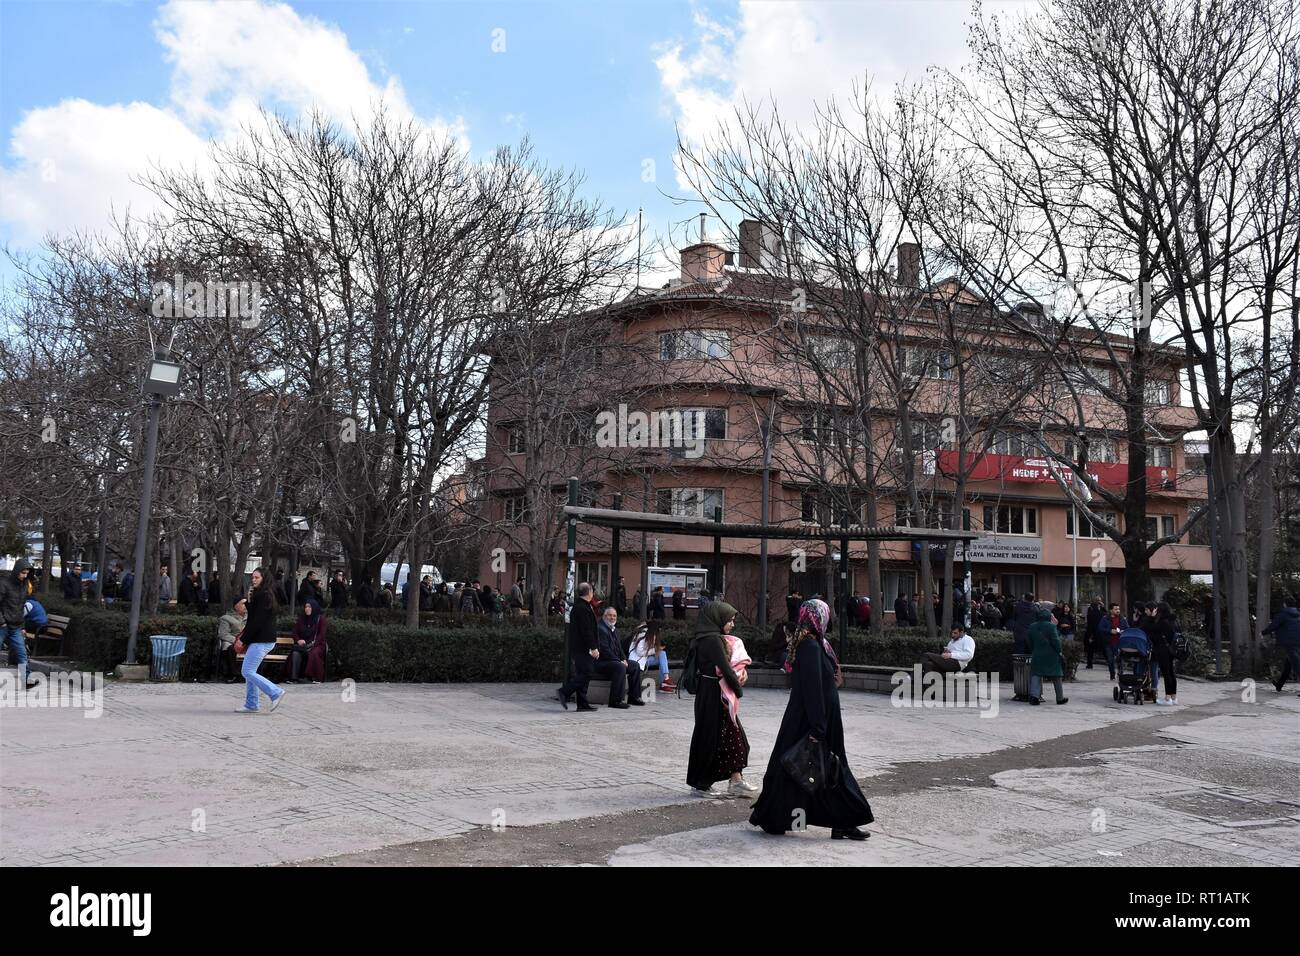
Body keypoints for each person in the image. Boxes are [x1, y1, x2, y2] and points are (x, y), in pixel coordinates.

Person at [749, 599, 874, 839]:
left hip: (818, 720)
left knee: (827, 770)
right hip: (812, 721)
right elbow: (812, 690)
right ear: (818, 617)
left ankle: (840, 822)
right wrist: (818, 728)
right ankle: (775, 817)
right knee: (808, 767)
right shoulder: (809, 646)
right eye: (826, 614)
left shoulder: (816, 643)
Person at [686, 601, 754, 798]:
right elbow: (725, 669)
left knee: (731, 736)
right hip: (713, 693)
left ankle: (736, 780)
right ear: (718, 618)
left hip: (711, 692)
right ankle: (701, 784)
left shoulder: (704, 637)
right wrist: (739, 690)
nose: (732, 624)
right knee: (710, 738)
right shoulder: (713, 640)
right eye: (730, 620)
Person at [236, 567, 285, 714]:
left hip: (262, 640)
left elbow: (257, 622)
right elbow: (255, 616)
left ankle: (275, 692)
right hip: (261, 639)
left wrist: (242, 640)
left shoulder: (264, 595)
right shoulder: (262, 594)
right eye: (253, 577)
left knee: (247, 671)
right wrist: (250, 603)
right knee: (251, 671)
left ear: (264, 578)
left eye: (257, 577)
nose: (254, 580)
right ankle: (252, 704)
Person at [557, 582, 600, 711]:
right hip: (583, 648)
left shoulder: (581, 606)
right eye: (592, 591)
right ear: (590, 592)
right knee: (587, 673)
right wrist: (593, 647)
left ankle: (582, 703)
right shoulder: (582, 607)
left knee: (583, 673)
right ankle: (564, 692)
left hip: (580, 647)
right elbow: (586, 630)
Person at [595, 607, 642, 708]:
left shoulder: (615, 630)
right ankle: (615, 701)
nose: (612, 618)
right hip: (602, 662)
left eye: (614, 616)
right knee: (620, 667)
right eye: (610, 615)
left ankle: (634, 697)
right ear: (604, 616)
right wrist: (620, 661)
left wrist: (624, 659)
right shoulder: (600, 629)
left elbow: (619, 649)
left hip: (614, 661)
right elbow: (605, 651)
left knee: (635, 665)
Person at [1, 560, 37, 689]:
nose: (25, 575)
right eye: (23, 573)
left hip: (16, 626)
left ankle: (26, 680)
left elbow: (20, 608)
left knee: (22, 653)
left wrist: (22, 627)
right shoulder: (4, 584)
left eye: (27, 573)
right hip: (3, 626)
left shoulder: (24, 585)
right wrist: (2, 622)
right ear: (17, 571)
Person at [1026, 606, 1068, 705]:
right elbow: (1056, 641)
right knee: (1057, 676)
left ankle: (1034, 697)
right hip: (1052, 655)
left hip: (1037, 654)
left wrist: (1034, 650)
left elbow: (1029, 641)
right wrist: (1059, 652)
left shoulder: (1032, 626)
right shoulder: (1051, 626)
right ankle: (1060, 698)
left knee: (1036, 674)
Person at [287, 597, 328, 684]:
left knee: (314, 653)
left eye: (309, 607)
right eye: (305, 607)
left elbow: (321, 635)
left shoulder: (320, 619)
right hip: (303, 645)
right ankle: (294, 678)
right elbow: (294, 632)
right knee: (295, 653)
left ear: (314, 607)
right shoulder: (302, 619)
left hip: (317, 645)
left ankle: (314, 677)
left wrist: (313, 644)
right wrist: (298, 640)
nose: (307, 609)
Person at [1265, 595, 1300, 694]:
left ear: (1285, 604)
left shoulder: (1283, 614)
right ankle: (1279, 685)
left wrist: (1263, 632)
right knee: (1289, 664)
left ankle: (1279, 684)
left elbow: (1273, 626)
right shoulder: (1298, 614)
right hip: (1298, 642)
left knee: (1297, 665)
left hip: (1290, 643)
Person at [629, 619, 675, 693]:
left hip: (644, 659)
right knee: (661, 654)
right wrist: (655, 650)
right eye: (658, 630)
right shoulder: (642, 634)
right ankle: (665, 682)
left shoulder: (649, 633)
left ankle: (665, 682)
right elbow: (639, 652)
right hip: (638, 660)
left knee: (662, 654)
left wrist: (656, 649)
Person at [1147, 602, 1179, 705]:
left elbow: (1150, 629)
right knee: (1171, 672)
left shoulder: (1162, 622)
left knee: (1166, 673)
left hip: (1163, 650)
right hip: (1172, 649)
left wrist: (1151, 617)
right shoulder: (1173, 621)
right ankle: (1173, 697)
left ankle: (1167, 698)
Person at [215, 599, 246, 683]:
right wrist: (237, 641)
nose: (246, 605)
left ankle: (247, 675)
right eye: (243, 604)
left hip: (247, 642)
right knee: (230, 648)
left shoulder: (251, 617)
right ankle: (233, 674)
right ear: (236, 606)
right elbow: (223, 634)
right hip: (232, 641)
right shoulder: (226, 618)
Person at [1097, 602, 1128, 680]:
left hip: (1119, 642)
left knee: (1120, 660)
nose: (1118, 610)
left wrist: (1122, 631)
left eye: (1118, 609)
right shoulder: (1105, 618)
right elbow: (1100, 628)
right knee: (1110, 660)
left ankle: (1120, 674)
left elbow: (1128, 628)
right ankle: (1112, 674)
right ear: (1111, 610)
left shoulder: (1122, 619)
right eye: (1116, 609)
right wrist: (1110, 631)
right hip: (1109, 642)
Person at [1084, 596, 1105, 669]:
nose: (1099, 601)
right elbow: (1090, 617)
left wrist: (1103, 608)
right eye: (1097, 600)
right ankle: (1089, 663)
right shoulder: (1091, 608)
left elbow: (1105, 616)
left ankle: (1109, 662)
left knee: (1103, 647)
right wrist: (1097, 610)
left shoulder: (1102, 608)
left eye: (1100, 600)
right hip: (1092, 631)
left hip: (1100, 630)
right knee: (1090, 649)